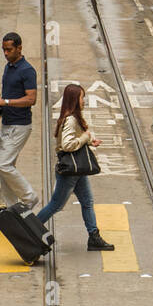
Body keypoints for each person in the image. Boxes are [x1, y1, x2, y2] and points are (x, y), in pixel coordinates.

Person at [35, 83, 114, 251]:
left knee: (87, 202)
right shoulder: (71, 119)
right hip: (70, 171)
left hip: (78, 170)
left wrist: (90, 141)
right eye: (82, 97)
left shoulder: (72, 117)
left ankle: (94, 237)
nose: (84, 101)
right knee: (56, 205)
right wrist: (86, 138)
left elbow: (75, 140)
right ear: (75, 100)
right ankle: (30, 229)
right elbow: (68, 144)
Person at [0, 32, 39, 212]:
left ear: (19, 48)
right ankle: (12, 208)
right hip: (7, 123)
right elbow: (4, 98)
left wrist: (4, 102)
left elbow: (31, 99)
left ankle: (30, 197)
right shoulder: (9, 67)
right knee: (5, 168)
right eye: (4, 50)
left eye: (9, 49)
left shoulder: (27, 70)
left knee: (5, 165)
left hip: (20, 125)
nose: (5, 53)